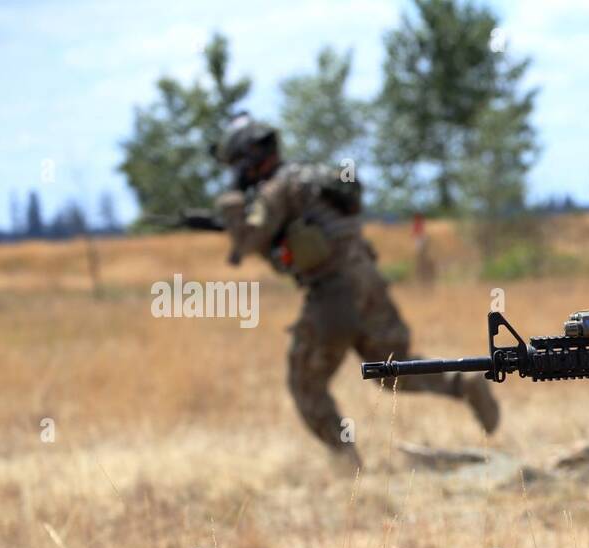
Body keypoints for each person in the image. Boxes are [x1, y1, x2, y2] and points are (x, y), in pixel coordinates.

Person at [212, 114, 498, 469]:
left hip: (334, 294)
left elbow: (249, 241)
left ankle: (348, 462)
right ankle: (462, 382)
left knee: (305, 383)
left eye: (239, 163)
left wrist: (232, 209)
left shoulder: (277, 189)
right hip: (369, 282)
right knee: (393, 370)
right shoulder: (312, 178)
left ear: (251, 158)